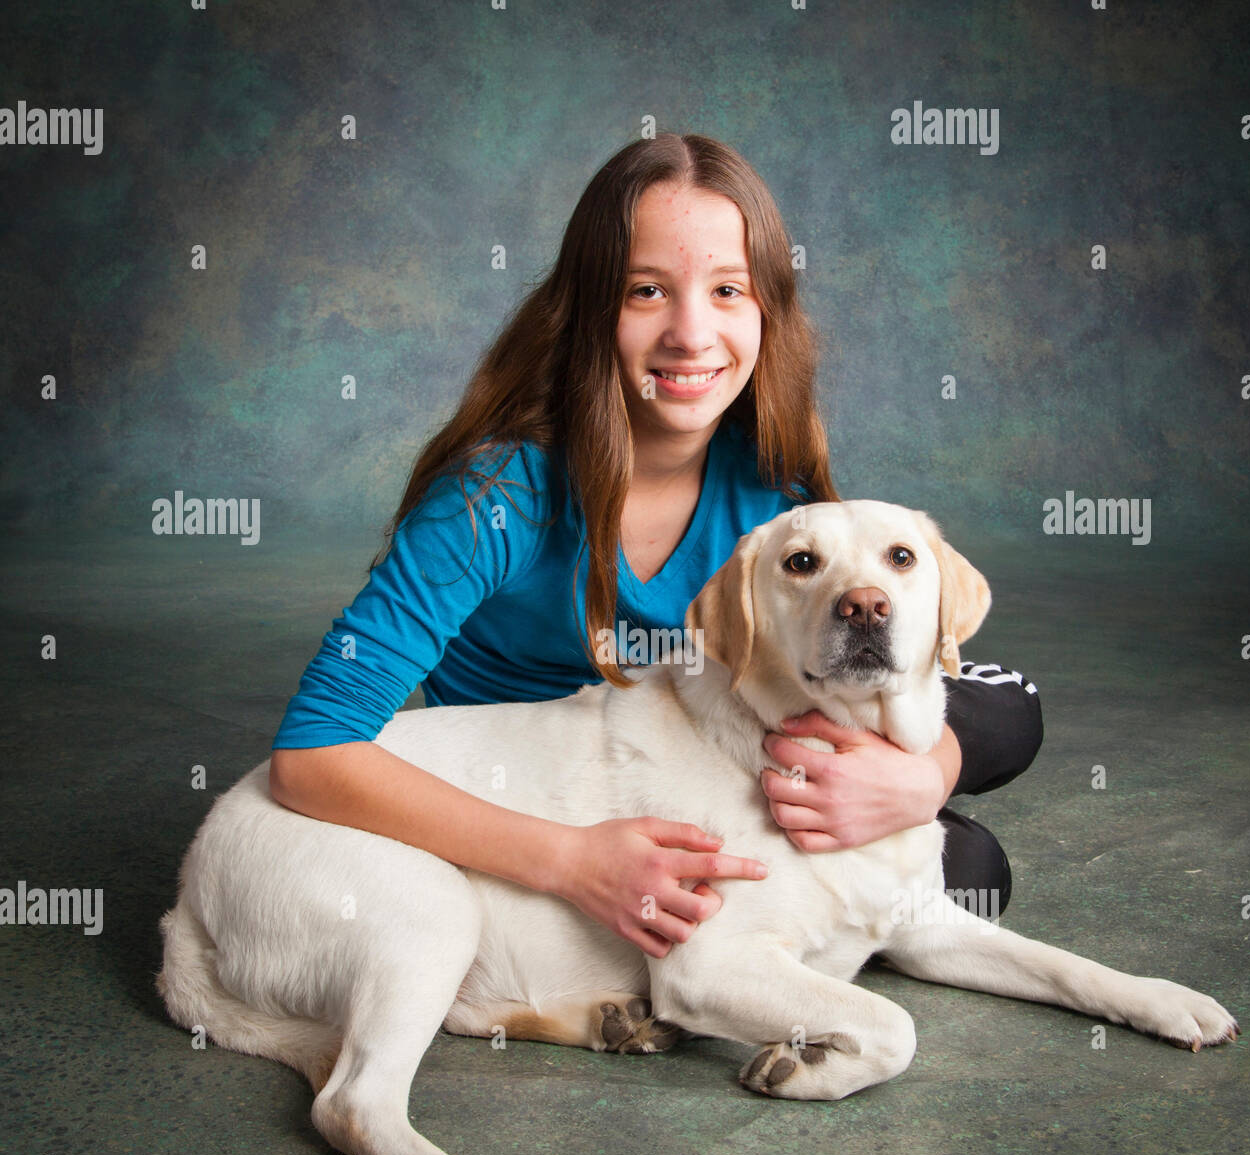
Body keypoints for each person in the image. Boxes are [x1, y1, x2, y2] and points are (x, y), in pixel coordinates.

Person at [269, 133, 1042, 960]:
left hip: (713, 782)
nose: (690, 332)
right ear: (587, 309)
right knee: (941, 880)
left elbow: (996, 688)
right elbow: (310, 755)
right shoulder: (494, 502)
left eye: (727, 290)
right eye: (646, 291)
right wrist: (568, 861)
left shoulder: (776, 502)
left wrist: (927, 777)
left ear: (767, 314)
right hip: (544, 798)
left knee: (969, 863)